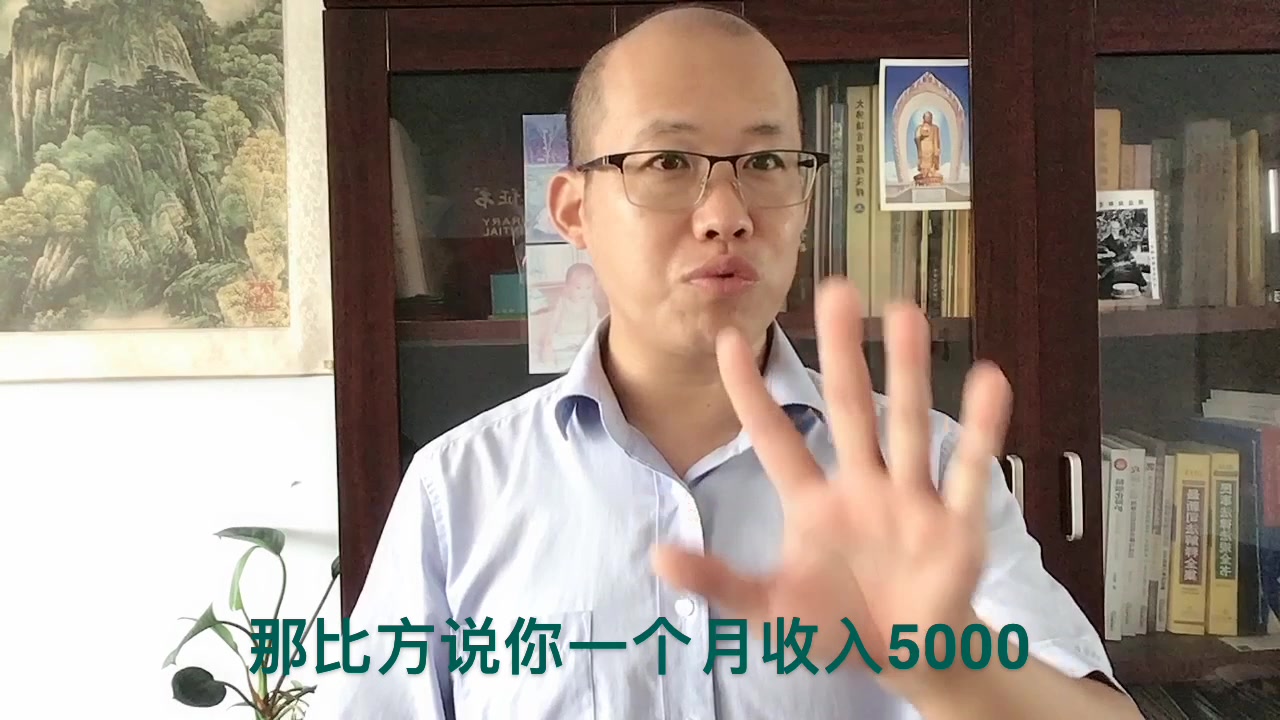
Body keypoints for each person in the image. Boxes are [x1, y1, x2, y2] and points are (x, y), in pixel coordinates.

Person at [307, 4, 1143, 719]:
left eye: (766, 163)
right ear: (574, 210)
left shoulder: (923, 471)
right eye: (669, 163)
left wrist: (953, 669)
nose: (725, 214)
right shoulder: (458, 492)